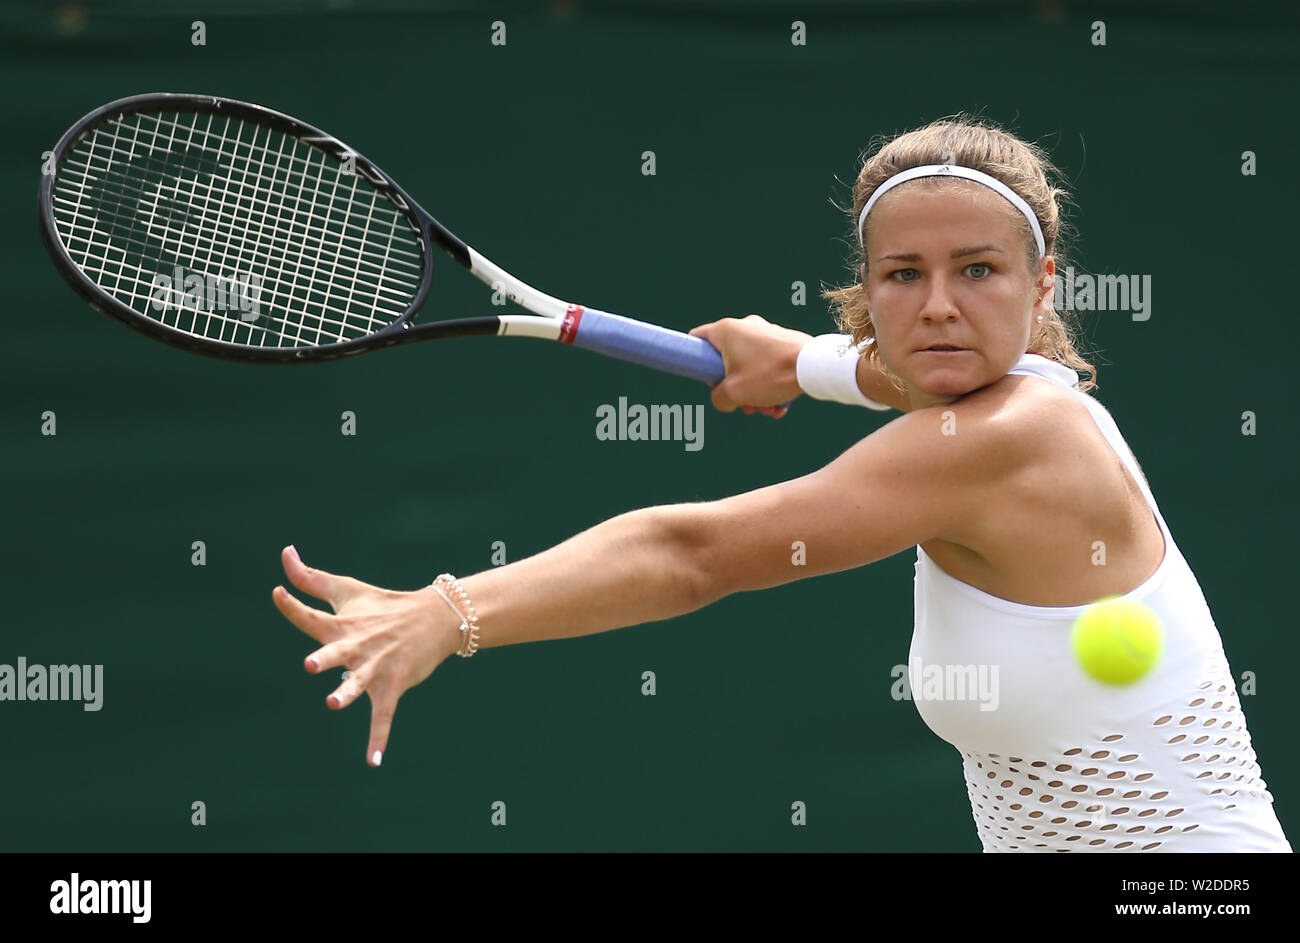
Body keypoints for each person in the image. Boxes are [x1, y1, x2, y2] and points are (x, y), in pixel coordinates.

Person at [272, 115, 1291, 852]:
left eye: (978, 270)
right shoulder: (1013, 385)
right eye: (902, 275)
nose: (938, 305)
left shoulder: (1009, 438)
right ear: (869, 290)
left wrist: (450, 611)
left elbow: (693, 554)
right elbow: (884, 369)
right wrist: (795, 361)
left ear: (1041, 287)